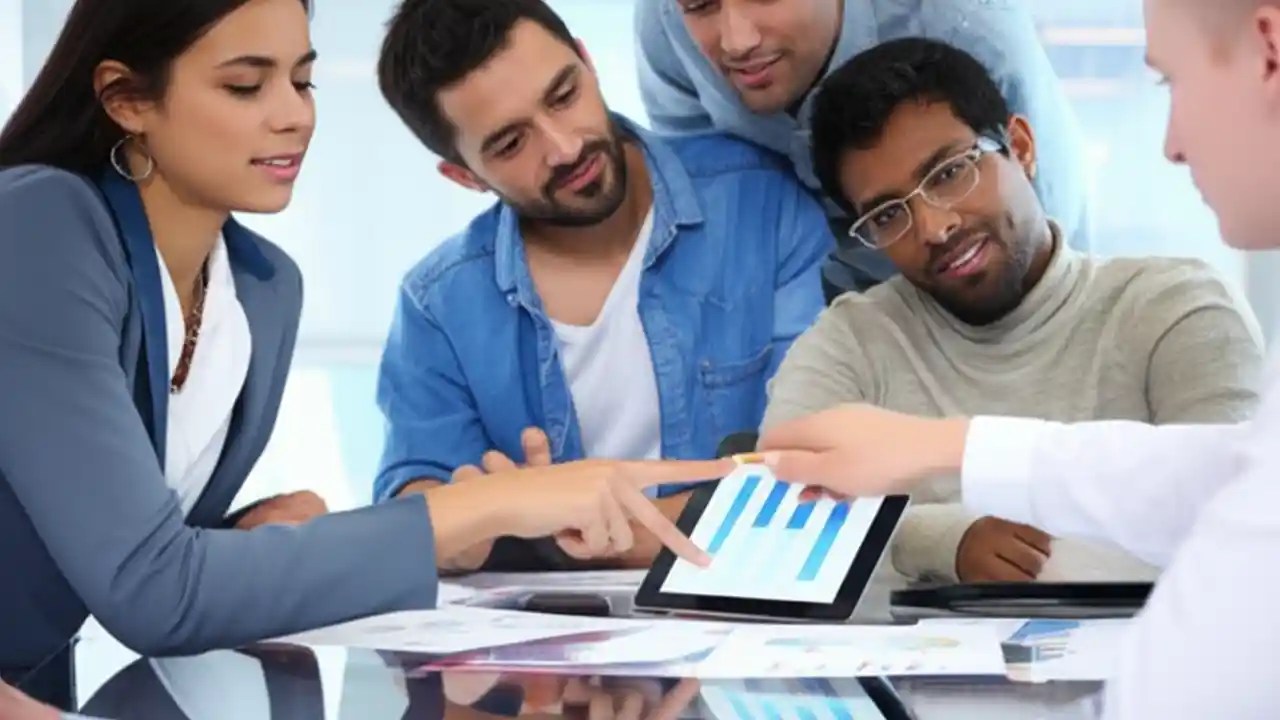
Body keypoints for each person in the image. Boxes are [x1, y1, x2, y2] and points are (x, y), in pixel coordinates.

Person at [0, 0, 730, 708]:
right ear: (126, 99)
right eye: (246, 85)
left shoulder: (262, 290)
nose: (294, 115)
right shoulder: (40, 224)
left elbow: (107, 539)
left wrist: (231, 538)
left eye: (302, 80)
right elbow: (155, 593)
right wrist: (491, 503)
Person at [758, 2, 1280, 714]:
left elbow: (1218, 518)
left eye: (950, 173)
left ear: (1023, 148)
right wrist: (944, 536)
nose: (934, 226)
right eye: (888, 215)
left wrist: (927, 475)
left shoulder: (1172, 306)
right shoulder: (854, 336)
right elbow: (770, 517)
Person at [373, 0, 832, 572]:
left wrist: (591, 531)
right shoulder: (437, 305)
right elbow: (412, 512)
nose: (565, 147)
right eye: (512, 144)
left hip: (746, 603)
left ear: (587, 62)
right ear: (465, 176)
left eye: (564, 96)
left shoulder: (762, 200)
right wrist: (477, 519)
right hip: (544, 628)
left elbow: (819, 464)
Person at [634, 0, 1091, 298]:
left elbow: (1038, 242)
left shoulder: (968, 24)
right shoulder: (665, 23)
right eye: (700, 4)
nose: (738, 41)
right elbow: (717, 211)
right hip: (812, 306)